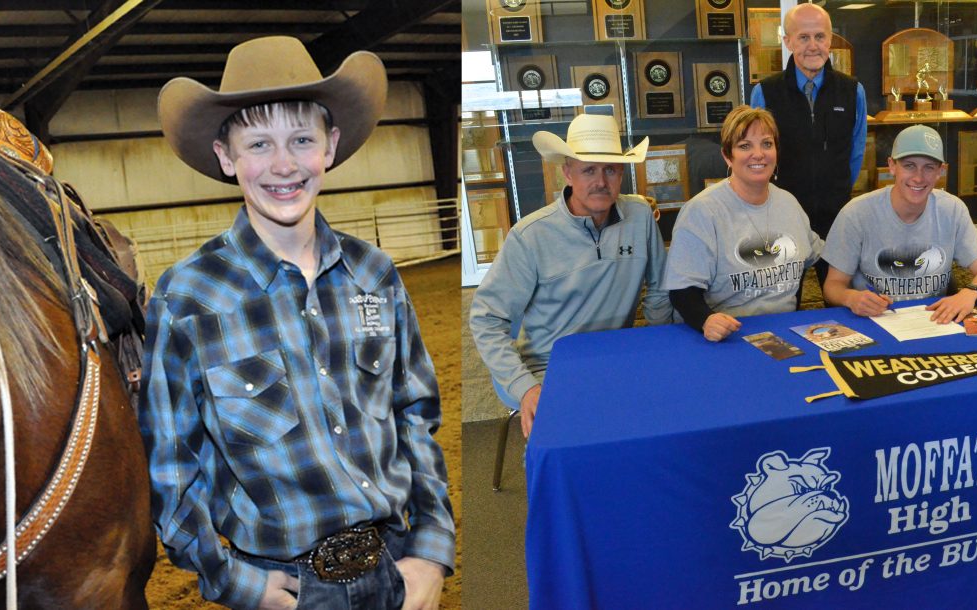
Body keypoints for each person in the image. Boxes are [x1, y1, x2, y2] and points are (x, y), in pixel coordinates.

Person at [138, 37, 453, 610]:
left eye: (301, 140)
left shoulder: (374, 274)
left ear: (329, 147)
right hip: (285, 587)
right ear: (227, 157)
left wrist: (431, 550)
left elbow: (415, 417)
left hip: (396, 570)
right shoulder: (188, 298)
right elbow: (171, 466)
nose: (283, 165)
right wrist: (234, 582)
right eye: (259, 144)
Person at [469, 112, 671, 438]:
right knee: (581, 434)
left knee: (665, 415)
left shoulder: (640, 216)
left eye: (610, 169)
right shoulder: (530, 236)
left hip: (614, 355)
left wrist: (665, 353)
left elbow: (659, 292)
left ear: (622, 173)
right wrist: (525, 386)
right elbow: (486, 318)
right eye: (589, 170)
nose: (601, 181)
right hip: (546, 365)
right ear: (567, 172)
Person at [663, 106, 822, 342]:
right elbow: (681, 291)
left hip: (786, 332)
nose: (758, 154)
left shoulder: (789, 203)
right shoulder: (701, 211)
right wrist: (706, 320)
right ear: (728, 156)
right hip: (728, 335)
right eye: (745, 146)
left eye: (767, 144)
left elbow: (817, 257)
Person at [821, 124, 977, 323]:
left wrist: (969, 293)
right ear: (892, 166)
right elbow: (832, 286)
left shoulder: (952, 210)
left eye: (929, 167)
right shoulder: (856, 214)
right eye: (909, 165)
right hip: (875, 321)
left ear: (941, 171)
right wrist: (851, 298)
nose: (918, 177)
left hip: (933, 321)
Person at [749, 2, 867, 285]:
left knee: (839, 294)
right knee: (784, 296)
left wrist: (835, 190)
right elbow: (757, 156)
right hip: (783, 214)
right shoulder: (765, 92)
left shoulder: (853, 91)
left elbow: (856, 151)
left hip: (836, 216)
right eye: (803, 37)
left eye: (819, 36)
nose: (812, 46)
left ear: (830, 40)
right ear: (787, 41)